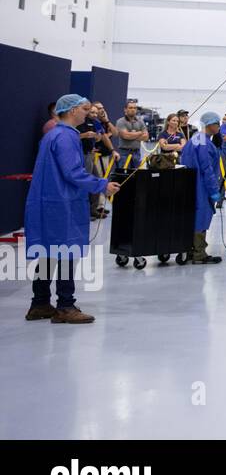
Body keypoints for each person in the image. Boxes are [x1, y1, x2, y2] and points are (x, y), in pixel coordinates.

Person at [23, 94, 121, 324]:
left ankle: (39, 303)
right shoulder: (66, 137)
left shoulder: (53, 135)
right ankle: (65, 306)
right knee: (66, 254)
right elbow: (73, 173)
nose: (87, 113)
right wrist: (102, 185)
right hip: (62, 203)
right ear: (71, 110)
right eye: (84, 109)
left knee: (49, 255)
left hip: (49, 202)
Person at [179, 112, 224, 264]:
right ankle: (199, 253)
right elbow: (207, 169)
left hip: (190, 185)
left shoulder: (194, 139)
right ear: (209, 124)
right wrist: (214, 191)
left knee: (193, 217)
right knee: (201, 217)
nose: (218, 126)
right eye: (217, 123)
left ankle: (190, 249)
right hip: (202, 187)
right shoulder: (204, 143)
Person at [114, 101, 148, 173]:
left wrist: (131, 135)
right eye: (130, 108)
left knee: (136, 175)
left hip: (136, 153)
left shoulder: (140, 121)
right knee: (123, 175)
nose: (133, 110)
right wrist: (139, 133)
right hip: (124, 153)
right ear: (125, 109)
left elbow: (146, 137)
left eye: (135, 108)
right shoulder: (120, 121)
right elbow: (125, 136)